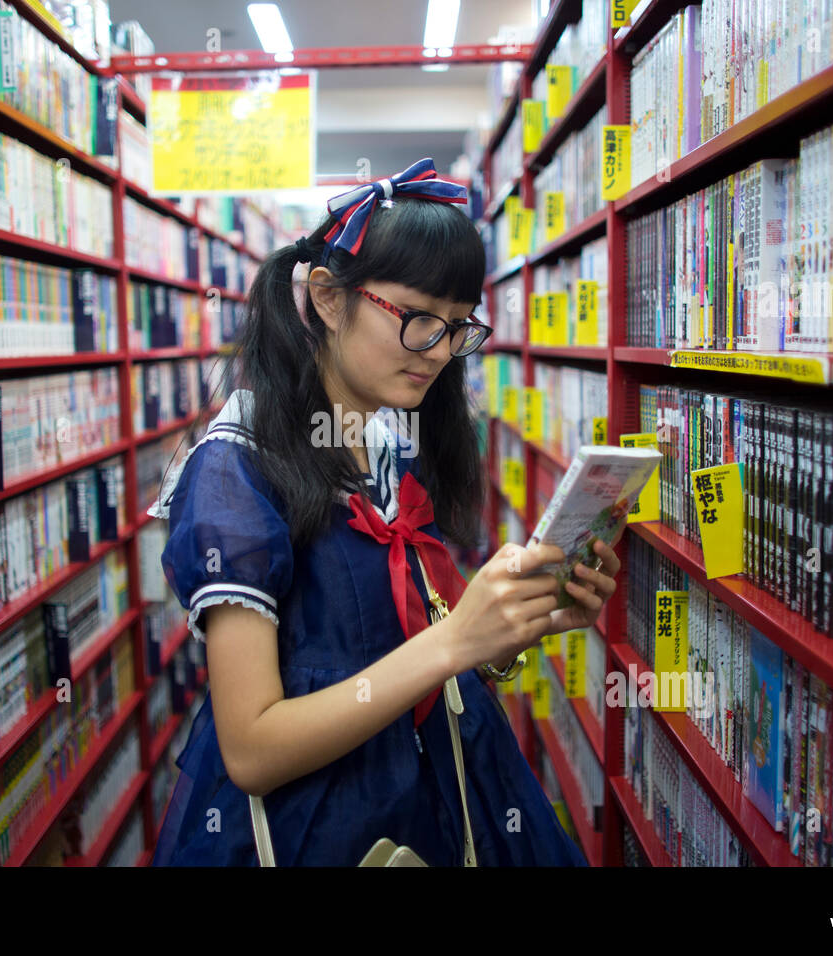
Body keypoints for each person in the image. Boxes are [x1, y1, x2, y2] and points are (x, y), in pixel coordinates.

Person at [149, 159, 622, 866]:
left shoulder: (385, 439)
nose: (439, 352)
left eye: (459, 326)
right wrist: (454, 642)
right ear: (329, 299)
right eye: (418, 319)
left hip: (428, 795)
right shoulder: (234, 472)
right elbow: (249, 748)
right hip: (316, 830)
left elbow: (407, 648)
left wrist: (514, 628)